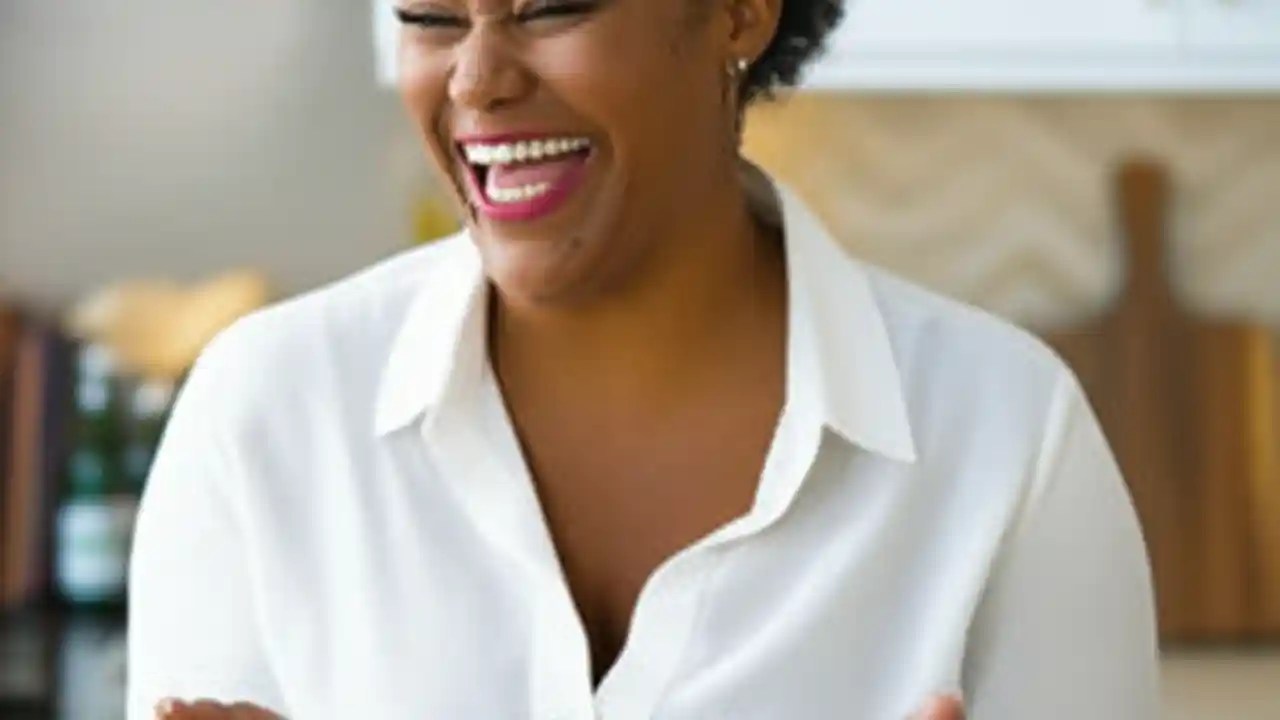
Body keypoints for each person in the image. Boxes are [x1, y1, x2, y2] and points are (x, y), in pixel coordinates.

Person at [128, 0, 1162, 717]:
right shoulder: (263, 412)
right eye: (428, 18)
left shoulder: (1004, 432)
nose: (478, 80)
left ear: (736, 12)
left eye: (550, 9)